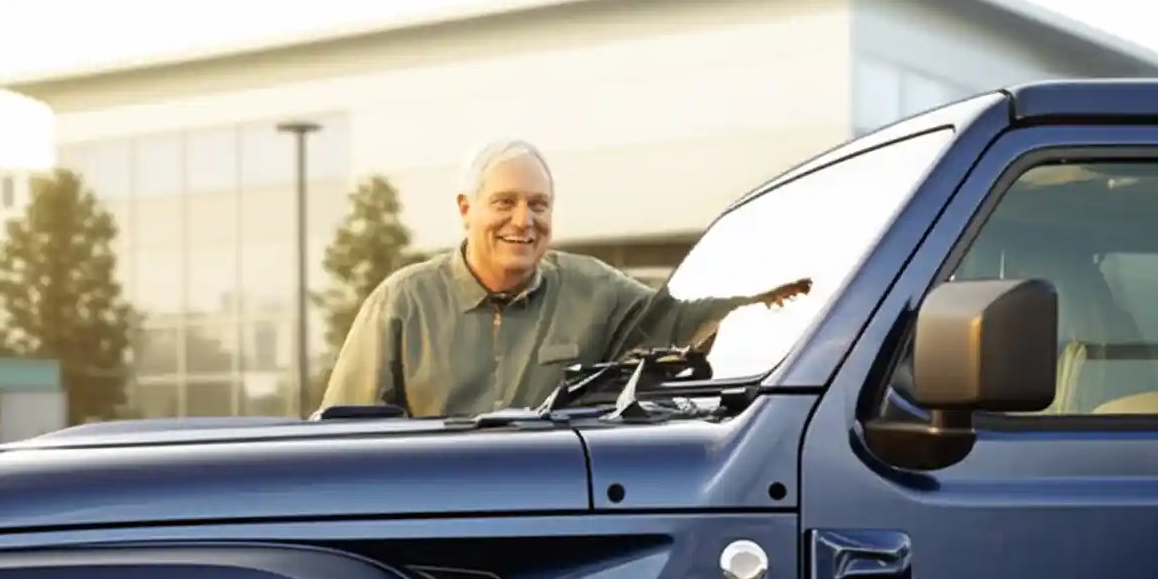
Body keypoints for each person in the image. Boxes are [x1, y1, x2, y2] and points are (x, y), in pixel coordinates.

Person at [318, 138, 811, 417]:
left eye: (538, 205)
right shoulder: (402, 303)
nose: (522, 221)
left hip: (554, 517)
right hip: (435, 520)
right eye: (504, 203)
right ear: (465, 209)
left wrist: (779, 295)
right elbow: (344, 438)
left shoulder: (595, 289)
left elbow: (683, 321)